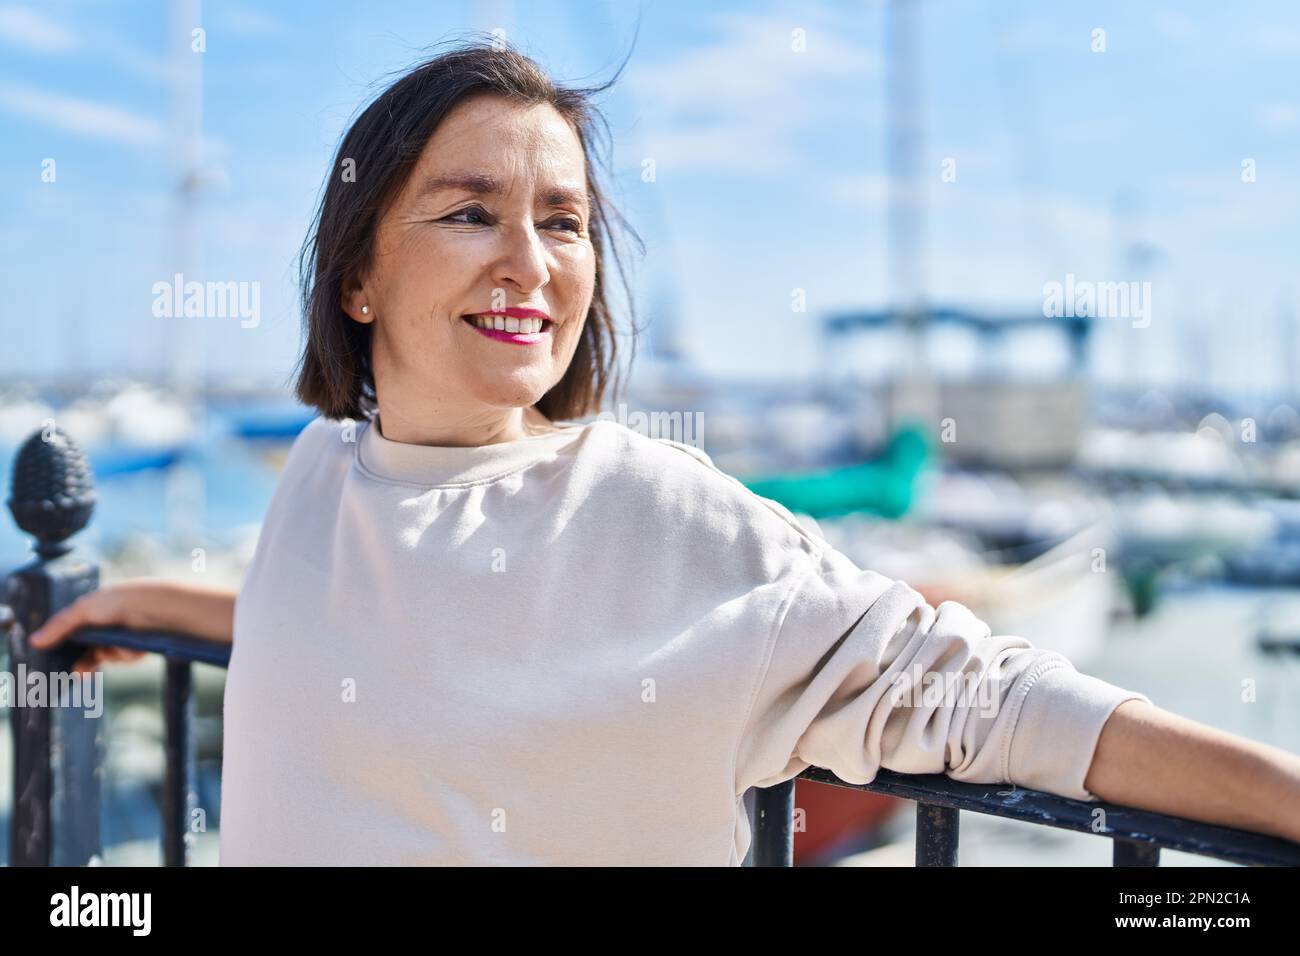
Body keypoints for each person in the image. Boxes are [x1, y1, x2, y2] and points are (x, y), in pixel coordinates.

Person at [28, 40, 1300, 865]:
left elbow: (992, 703)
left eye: (565, 221)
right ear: (358, 270)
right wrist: (168, 603)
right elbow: (382, 625)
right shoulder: (324, 470)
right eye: (470, 211)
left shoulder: (659, 515)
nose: (530, 258)